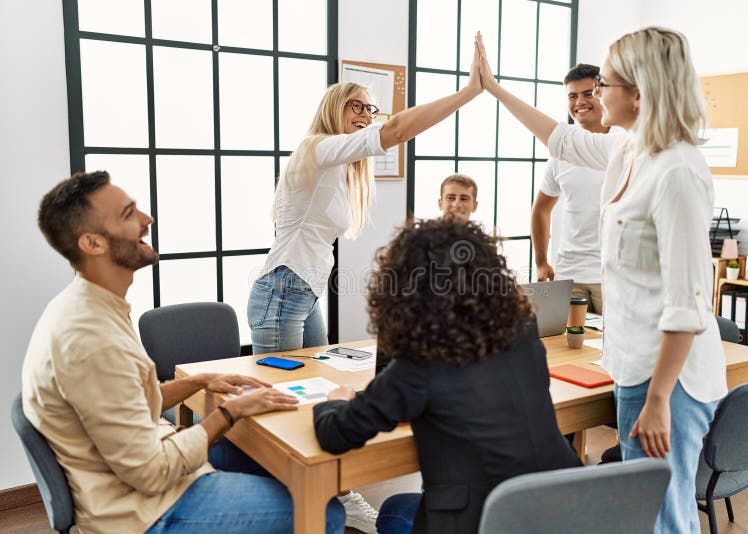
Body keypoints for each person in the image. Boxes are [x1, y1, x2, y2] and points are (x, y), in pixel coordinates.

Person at [477, 28, 727, 533]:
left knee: (663, 517)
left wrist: (658, 400)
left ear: (639, 93)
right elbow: (560, 138)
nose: (594, 95)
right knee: (645, 514)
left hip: (669, 382)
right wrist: (495, 89)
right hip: (635, 366)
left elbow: (688, 303)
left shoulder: (676, 170)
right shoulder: (629, 150)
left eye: (603, 85)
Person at [247, 39, 483, 532]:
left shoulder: (337, 164)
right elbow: (394, 131)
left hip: (303, 291)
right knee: (282, 409)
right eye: (355, 105)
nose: (365, 115)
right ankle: (282, 510)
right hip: (282, 290)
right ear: (333, 107)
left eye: (369, 108)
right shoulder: (317, 148)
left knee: (319, 394)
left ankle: (338, 493)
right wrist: (466, 94)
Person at [22, 171, 344, 534]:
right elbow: (152, 473)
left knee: (293, 463)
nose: (147, 219)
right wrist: (230, 412)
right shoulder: (89, 338)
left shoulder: (95, 306)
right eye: (128, 214)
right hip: (142, 510)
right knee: (325, 512)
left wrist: (201, 381)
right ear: (92, 243)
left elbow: (130, 401)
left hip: (147, 465)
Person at [313, 218, 582, 534]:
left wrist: (335, 401)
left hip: (481, 521)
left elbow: (336, 433)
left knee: (392, 512)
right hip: (562, 506)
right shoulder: (523, 329)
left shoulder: (419, 364)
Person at [532, 63, 622, 314]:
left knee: (612, 339)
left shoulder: (623, 144)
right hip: (569, 274)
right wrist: (541, 261)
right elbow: (541, 209)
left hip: (613, 276)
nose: (579, 102)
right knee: (567, 339)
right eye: (572, 96)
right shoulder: (561, 153)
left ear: (603, 93)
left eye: (587, 93)